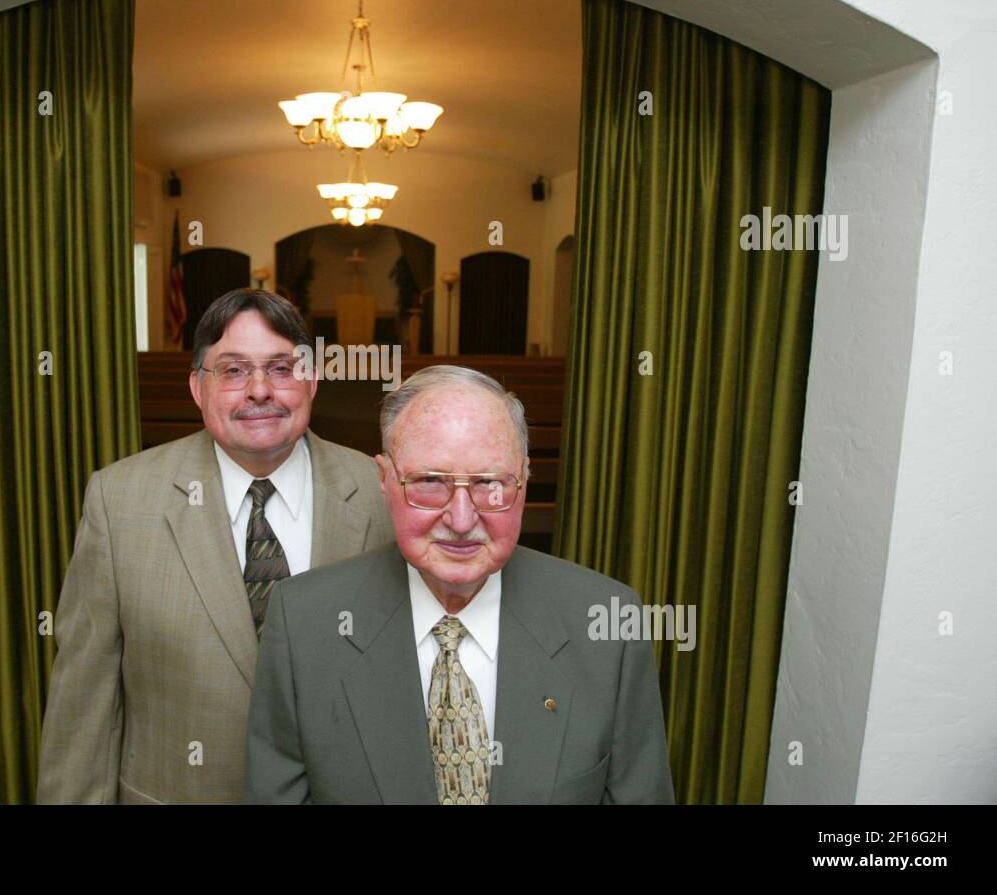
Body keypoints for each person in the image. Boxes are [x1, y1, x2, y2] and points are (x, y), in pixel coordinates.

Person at [243, 364, 675, 803]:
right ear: (384, 479)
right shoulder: (304, 625)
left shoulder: (607, 627)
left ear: (524, 480)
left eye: (490, 483)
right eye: (431, 482)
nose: (462, 519)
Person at [38, 289, 394, 803]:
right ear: (196, 388)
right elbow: (84, 707)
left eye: (280, 368)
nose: (258, 391)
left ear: (312, 380)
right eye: (232, 371)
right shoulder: (119, 502)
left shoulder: (384, 495)